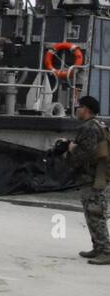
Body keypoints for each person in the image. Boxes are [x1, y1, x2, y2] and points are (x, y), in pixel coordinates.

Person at [46, 96, 110, 265]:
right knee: (92, 213)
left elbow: (85, 154)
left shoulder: (89, 127)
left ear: (86, 109)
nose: (76, 109)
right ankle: (98, 247)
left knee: (95, 213)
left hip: (94, 177)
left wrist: (70, 149)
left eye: (79, 107)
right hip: (95, 176)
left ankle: (106, 251)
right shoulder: (98, 124)